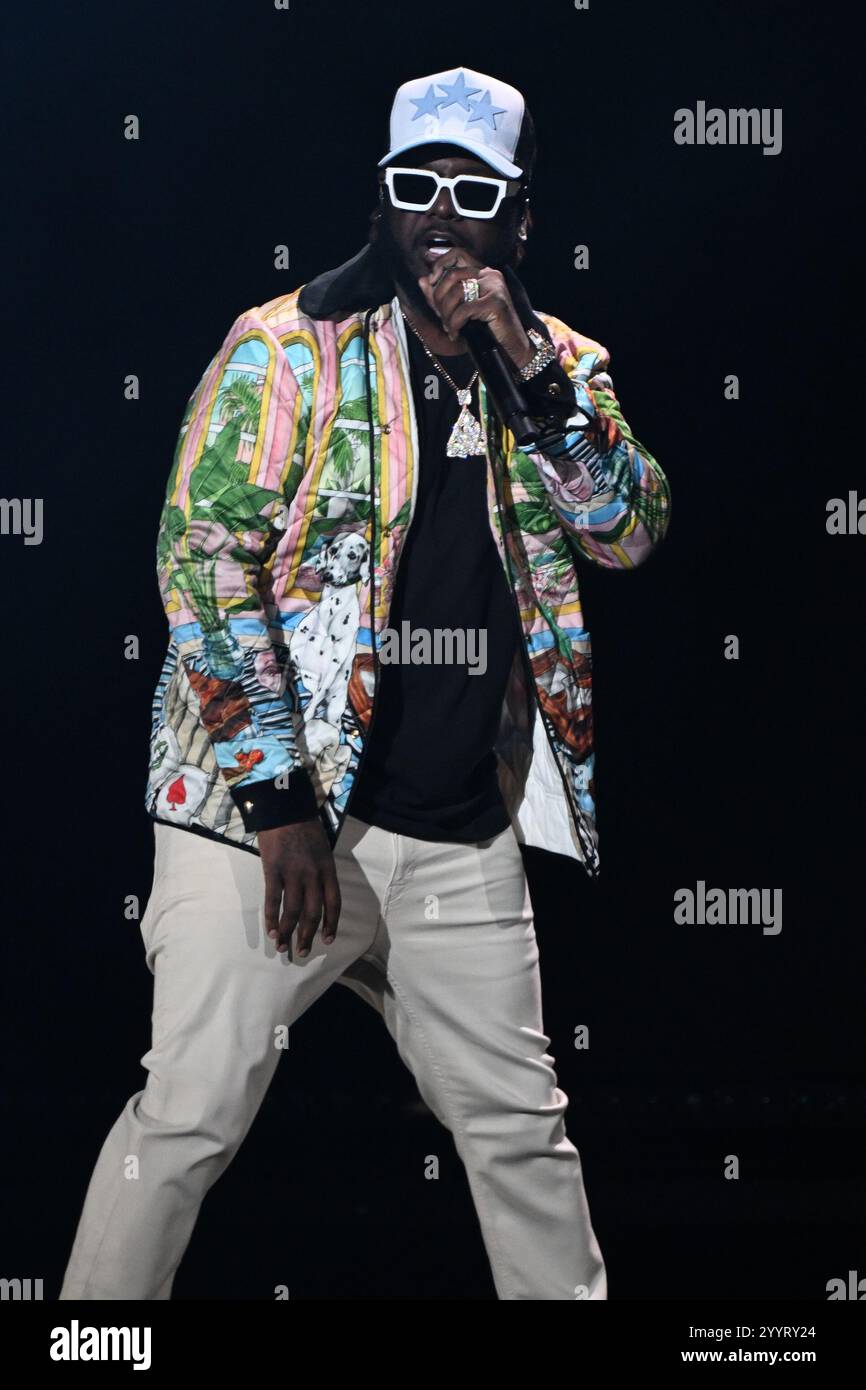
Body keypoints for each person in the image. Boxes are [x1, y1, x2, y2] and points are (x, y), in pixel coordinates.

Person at [59, 65, 670, 1301]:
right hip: (266, 822)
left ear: (518, 218)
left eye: (471, 190)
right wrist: (279, 802)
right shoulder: (285, 349)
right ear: (381, 202)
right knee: (184, 1120)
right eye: (414, 186)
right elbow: (202, 565)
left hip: (457, 830)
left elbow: (626, 530)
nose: (440, 213)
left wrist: (528, 369)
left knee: (519, 1141)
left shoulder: (555, 366)